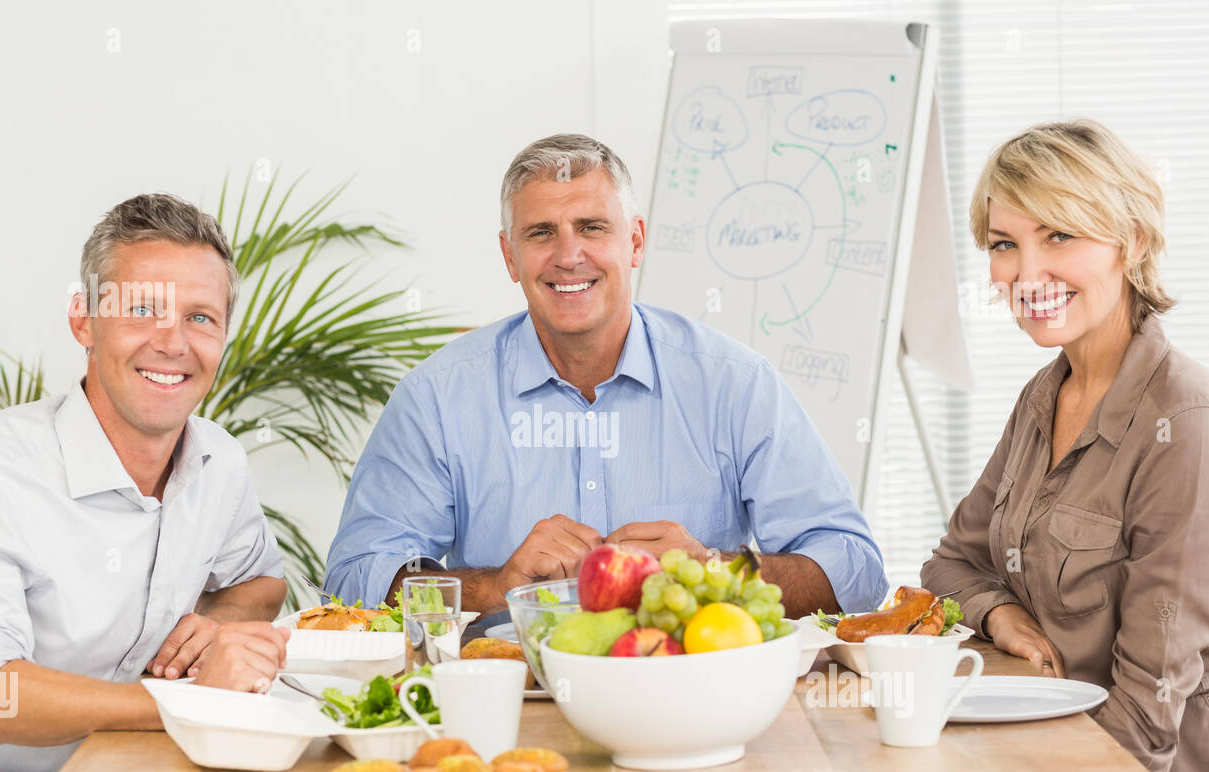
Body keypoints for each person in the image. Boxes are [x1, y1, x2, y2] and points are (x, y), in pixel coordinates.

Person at [326, 134, 888, 619]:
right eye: (541, 232)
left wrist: (718, 574)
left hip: (691, 697)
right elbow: (357, 578)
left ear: (636, 241)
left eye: (592, 227)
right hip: (504, 696)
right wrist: (491, 588)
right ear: (509, 256)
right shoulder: (436, 398)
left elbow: (855, 570)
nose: (569, 255)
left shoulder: (735, 385)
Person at [0, 194, 291, 772]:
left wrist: (217, 626)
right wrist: (182, 701)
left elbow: (261, 581)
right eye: (143, 309)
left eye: (200, 317)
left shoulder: (218, 462)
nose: (173, 343)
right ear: (83, 319)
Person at [920, 119, 1209, 772]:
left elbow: (1149, 711)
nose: (1025, 275)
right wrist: (1001, 612)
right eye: (1004, 245)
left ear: (1132, 243)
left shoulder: (1184, 423)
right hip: (1051, 765)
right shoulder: (1045, 396)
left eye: (1059, 236)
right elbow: (951, 564)